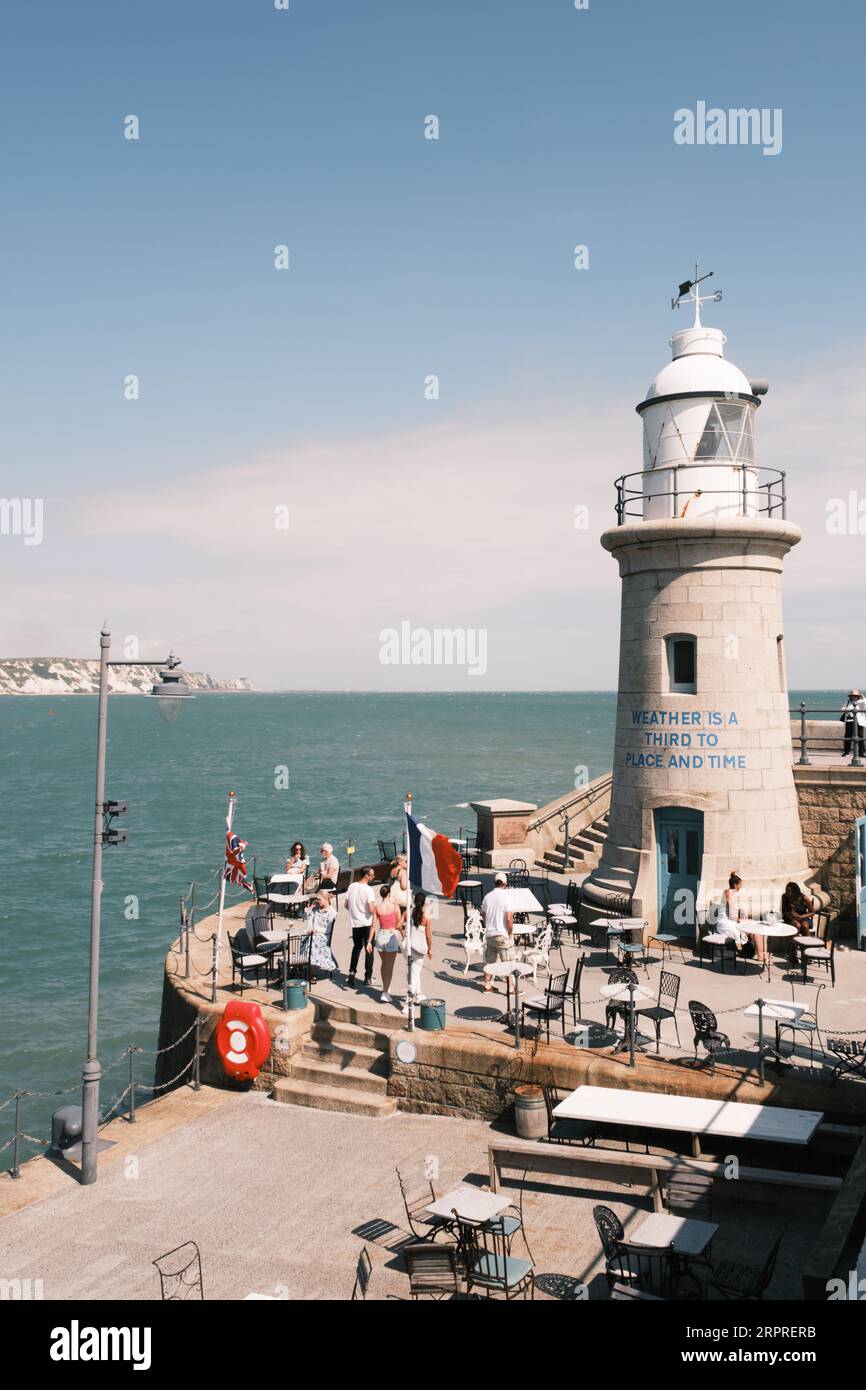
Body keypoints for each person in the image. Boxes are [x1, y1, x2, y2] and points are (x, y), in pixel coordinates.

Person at [368, 883, 405, 1003]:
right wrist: (404, 935)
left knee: (384, 964)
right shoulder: (395, 907)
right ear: (389, 894)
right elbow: (399, 924)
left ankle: (386, 987)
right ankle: (385, 992)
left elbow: (373, 925)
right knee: (389, 966)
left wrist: (369, 941)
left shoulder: (377, 908)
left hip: (380, 936)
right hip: (391, 936)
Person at [481, 871, 515, 992]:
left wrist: (488, 924)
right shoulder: (506, 897)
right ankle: (511, 989)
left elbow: (483, 914)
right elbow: (509, 919)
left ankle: (487, 985)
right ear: (505, 883)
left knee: (490, 962)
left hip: (490, 934)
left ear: (495, 883)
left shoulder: (487, 897)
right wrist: (510, 933)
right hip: (502, 935)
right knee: (508, 963)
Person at [345, 865, 376, 987]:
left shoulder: (352, 886)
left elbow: (346, 905)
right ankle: (367, 977)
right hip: (367, 923)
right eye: (372, 874)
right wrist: (376, 911)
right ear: (366, 875)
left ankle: (352, 973)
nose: (374, 876)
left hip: (355, 923)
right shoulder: (369, 890)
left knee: (356, 948)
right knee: (369, 950)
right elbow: (371, 908)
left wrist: (355, 911)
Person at [405, 891, 433, 1008]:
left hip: (410, 946)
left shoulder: (410, 913)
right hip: (420, 948)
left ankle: (418, 994)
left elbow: (401, 924)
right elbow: (429, 936)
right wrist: (430, 949)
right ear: (424, 903)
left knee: (413, 971)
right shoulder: (426, 917)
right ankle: (409, 999)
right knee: (415, 973)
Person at [305, 890, 337, 982]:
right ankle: (305, 964)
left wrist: (316, 931)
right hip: (312, 934)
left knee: (313, 941)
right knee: (305, 938)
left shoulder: (331, 912)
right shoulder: (316, 909)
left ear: (326, 899)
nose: (318, 901)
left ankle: (313, 974)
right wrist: (310, 908)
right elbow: (306, 917)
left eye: (320, 900)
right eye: (317, 900)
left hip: (322, 936)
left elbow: (328, 929)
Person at [715, 872, 750, 948]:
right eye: (740, 884)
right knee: (738, 933)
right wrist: (739, 920)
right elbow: (732, 914)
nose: (741, 887)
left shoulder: (731, 894)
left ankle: (745, 949)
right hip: (725, 924)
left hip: (730, 922)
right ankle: (740, 950)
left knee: (748, 927)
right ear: (735, 885)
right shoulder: (728, 893)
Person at [840, 690, 866, 761]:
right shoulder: (848, 702)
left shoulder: (861, 702)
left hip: (858, 722)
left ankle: (861, 753)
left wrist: (862, 697)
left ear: (858, 696)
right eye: (852, 696)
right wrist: (844, 709)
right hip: (849, 721)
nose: (853, 697)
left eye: (855, 696)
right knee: (847, 737)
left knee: (860, 737)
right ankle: (846, 752)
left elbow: (865, 705)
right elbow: (842, 708)